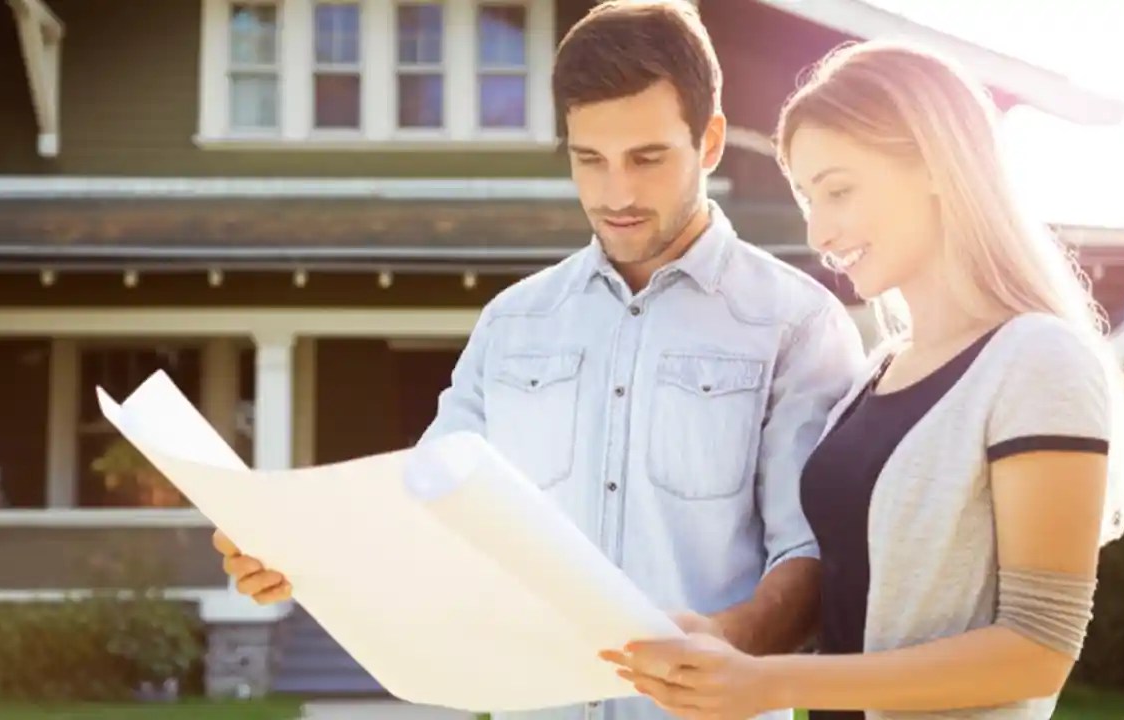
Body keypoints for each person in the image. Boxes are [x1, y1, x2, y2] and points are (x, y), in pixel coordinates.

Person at [212, 1, 865, 719]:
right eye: (589, 159)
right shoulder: (513, 325)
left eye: (647, 158)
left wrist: (727, 641)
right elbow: (427, 510)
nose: (616, 194)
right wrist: (302, 553)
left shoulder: (797, 326)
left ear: (708, 142)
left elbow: (813, 555)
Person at [602, 40, 1124, 720]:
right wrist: (728, 639)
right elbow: (851, 590)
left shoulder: (1037, 359)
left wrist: (770, 684)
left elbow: (1038, 648)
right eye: (805, 196)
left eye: (839, 189)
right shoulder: (877, 371)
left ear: (935, 166)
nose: (819, 229)